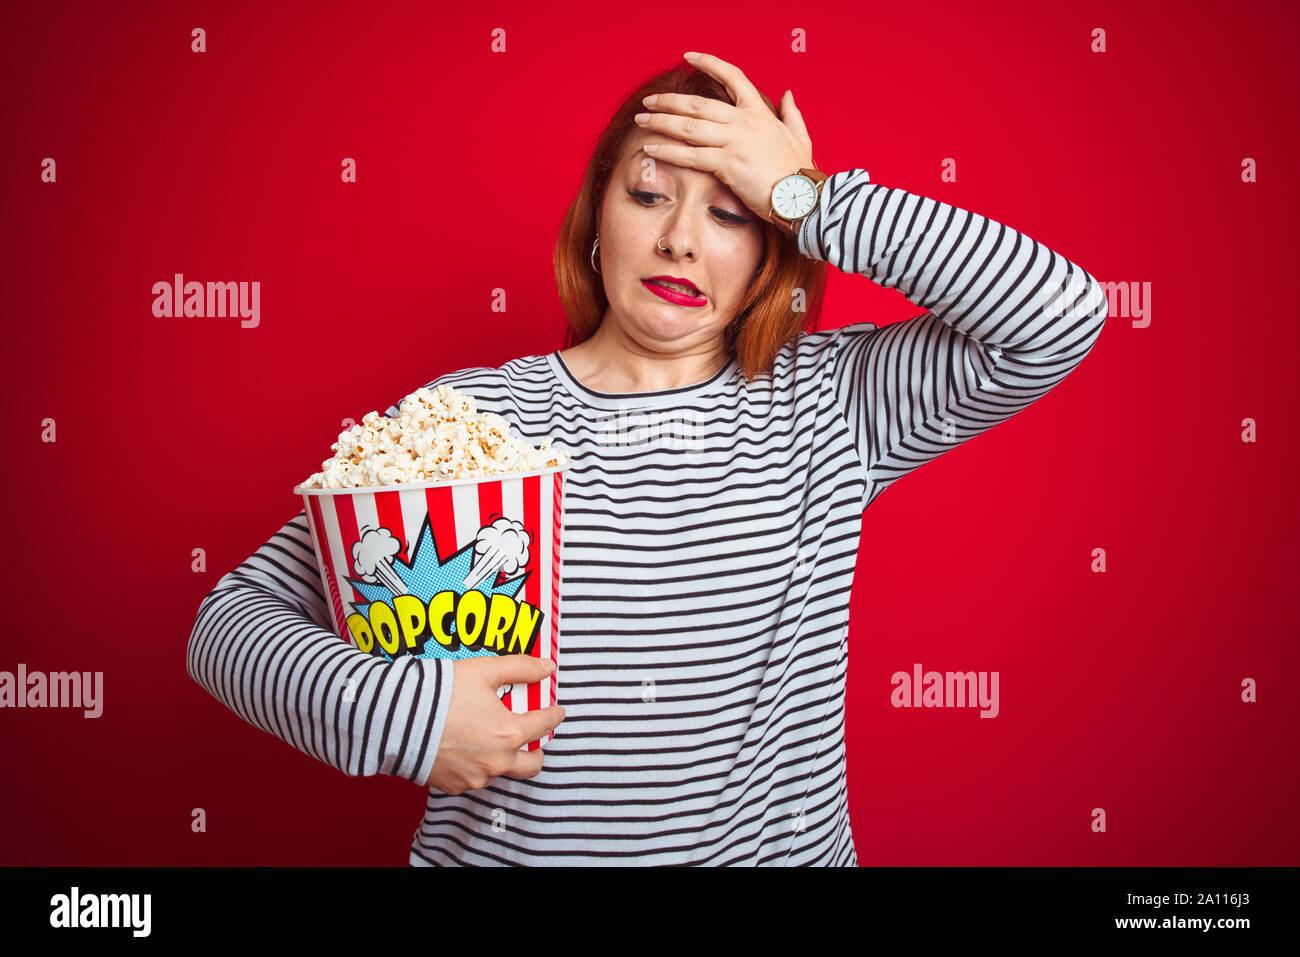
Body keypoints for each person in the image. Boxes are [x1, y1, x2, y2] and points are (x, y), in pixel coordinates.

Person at [187, 51, 1108, 865]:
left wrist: (812, 197)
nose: (680, 239)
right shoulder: (468, 420)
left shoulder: (835, 404)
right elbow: (227, 626)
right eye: (648, 193)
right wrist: (408, 717)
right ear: (597, 220)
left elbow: (1059, 315)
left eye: (732, 212)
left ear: (769, 256)